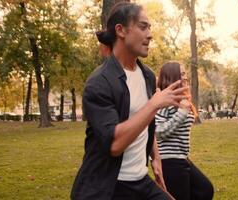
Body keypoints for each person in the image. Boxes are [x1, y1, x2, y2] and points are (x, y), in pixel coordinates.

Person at [71, 3, 187, 200]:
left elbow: (146, 122)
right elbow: (114, 146)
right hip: (107, 186)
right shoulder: (99, 83)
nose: (150, 34)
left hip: (139, 180)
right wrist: (153, 105)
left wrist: (155, 156)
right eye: (143, 27)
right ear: (121, 30)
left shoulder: (147, 76)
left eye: (149, 27)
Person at [155, 61, 214, 200]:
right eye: (181, 74)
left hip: (181, 158)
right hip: (169, 161)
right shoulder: (165, 100)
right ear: (172, 77)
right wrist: (181, 112)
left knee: (205, 189)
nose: (185, 76)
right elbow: (158, 132)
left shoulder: (180, 99)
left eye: (185, 73)